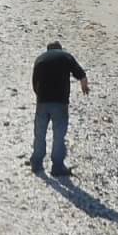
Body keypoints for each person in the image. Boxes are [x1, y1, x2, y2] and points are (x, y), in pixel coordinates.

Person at [31, 40, 88, 177]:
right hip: (60, 103)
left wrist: (40, 97)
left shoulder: (40, 59)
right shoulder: (66, 56)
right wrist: (84, 87)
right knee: (58, 136)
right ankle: (57, 167)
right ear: (60, 49)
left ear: (48, 49)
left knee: (39, 134)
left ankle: (37, 163)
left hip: (43, 102)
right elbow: (81, 75)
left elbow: (34, 83)